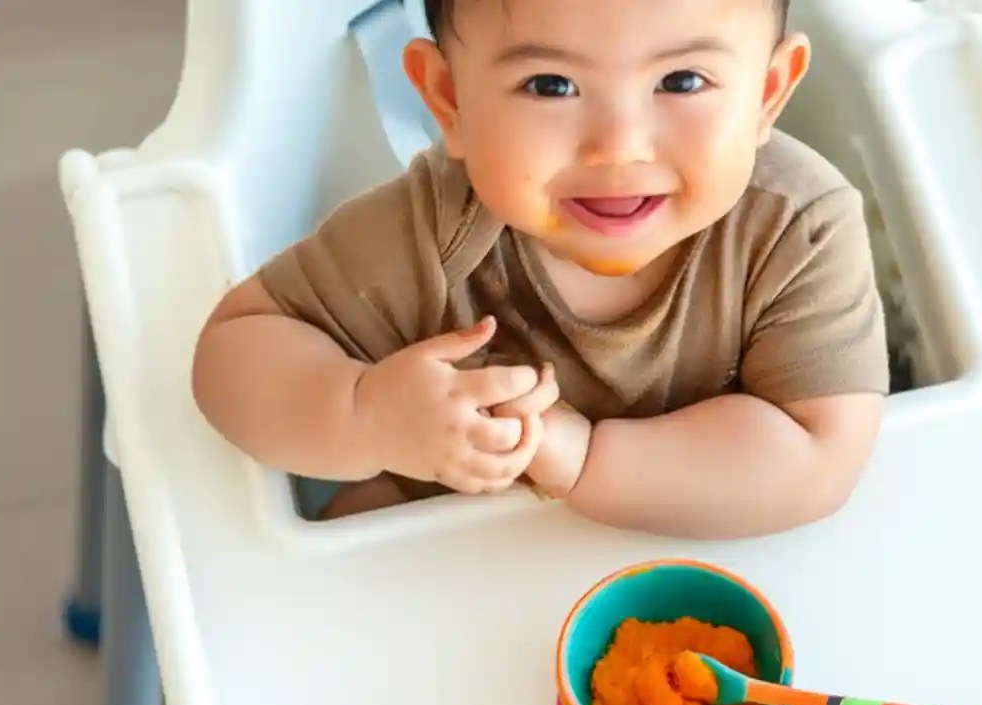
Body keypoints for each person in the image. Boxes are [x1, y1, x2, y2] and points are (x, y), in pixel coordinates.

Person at [191, 0, 889, 538]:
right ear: (448, 100)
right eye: (550, 85)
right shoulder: (430, 230)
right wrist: (364, 414)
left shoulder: (797, 230)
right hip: (461, 567)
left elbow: (817, 455)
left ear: (768, 92)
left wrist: (583, 459)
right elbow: (236, 347)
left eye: (682, 80)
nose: (618, 147)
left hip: (702, 568)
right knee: (354, 521)